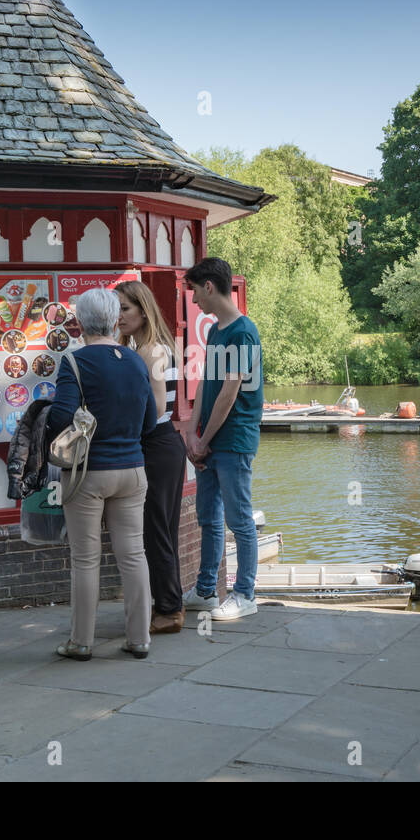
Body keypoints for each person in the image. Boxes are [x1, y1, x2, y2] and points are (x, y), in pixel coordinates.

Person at [46, 287, 157, 660]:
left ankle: (81, 642)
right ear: (114, 320)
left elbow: (61, 415)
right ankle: (140, 638)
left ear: (78, 323)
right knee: (133, 554)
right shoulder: (136, 361)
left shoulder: (75, 363)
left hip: (88, 473)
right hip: (132, 469)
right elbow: (149, 421)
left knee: (85, 558)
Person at [181, 257, 264, 621]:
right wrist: (192, 430)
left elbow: (230, 393)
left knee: (239, 519)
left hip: (233, 439)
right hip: (209, 439)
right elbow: (205, 387)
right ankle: (205, 591)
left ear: (210, 287)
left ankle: (245, 594)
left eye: (196, 292)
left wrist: (204, 438)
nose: (195, 301)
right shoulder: (215, 331)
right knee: (208, 518)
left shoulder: (243, 332)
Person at [115, 280, 187, 634]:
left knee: (155, 531)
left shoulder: (151, 351)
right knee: (160, 530)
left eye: (125, 309)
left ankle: (170, 610)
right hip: (164, 446)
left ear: (143, 312)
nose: (119, 316)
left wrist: (119, 423)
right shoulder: (152, 347)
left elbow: (157, 406)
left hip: (156, 446)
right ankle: (167, 604)